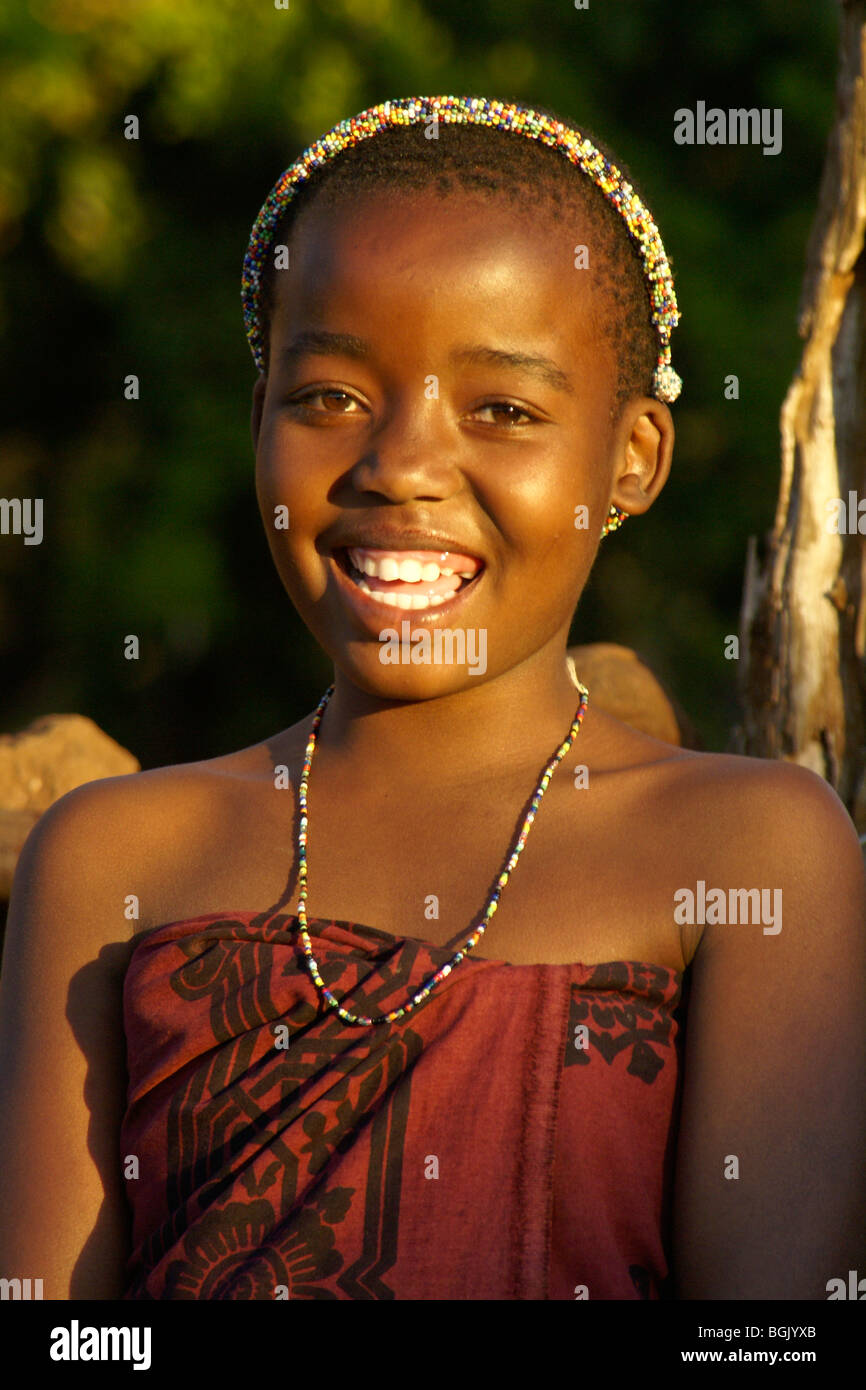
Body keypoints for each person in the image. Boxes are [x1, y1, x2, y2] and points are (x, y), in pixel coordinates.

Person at [1, 95, 863, 1301]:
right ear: (257, 421)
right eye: (328, 398)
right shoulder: (112, 851)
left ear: (631, 459)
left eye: (500, 410)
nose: (397, 463)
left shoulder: (749, 847)